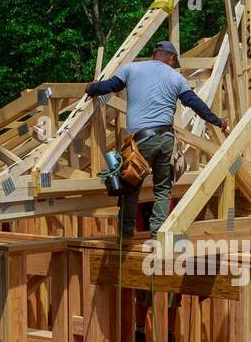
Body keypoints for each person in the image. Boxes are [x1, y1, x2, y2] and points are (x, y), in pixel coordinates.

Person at [86, 40, 229, 238]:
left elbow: (108, 86)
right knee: (162, 189)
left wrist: (91, 89)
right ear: (171, 58)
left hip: (141, 141)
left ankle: (126, 233)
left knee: (130, 185)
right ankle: (158, 234)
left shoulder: (131, 69)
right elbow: (195, 104)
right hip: (166, 140)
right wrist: (218, 121)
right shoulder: (175, 77)